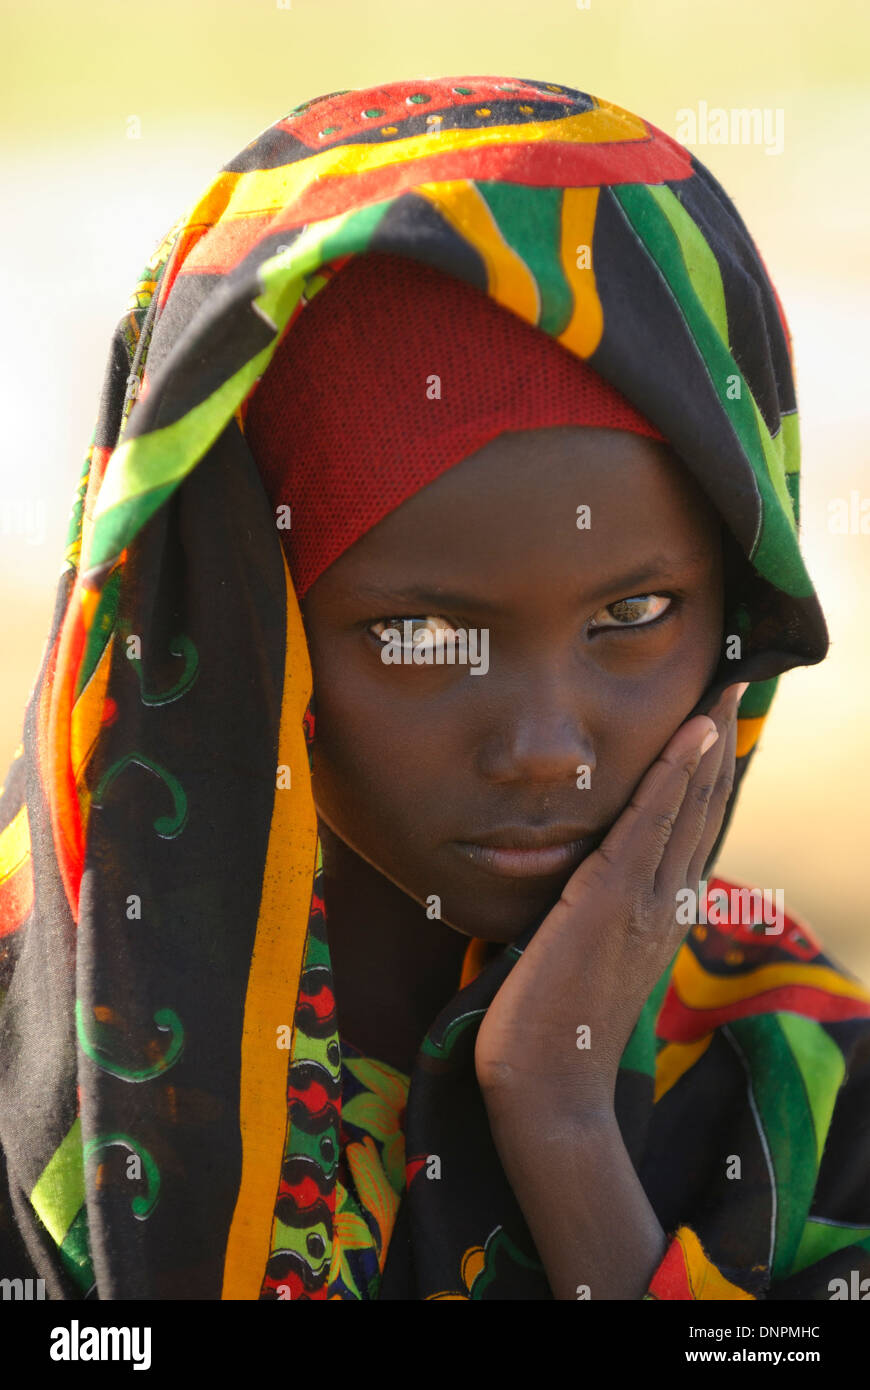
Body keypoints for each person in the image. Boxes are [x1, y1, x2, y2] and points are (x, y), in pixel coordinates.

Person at [0, 74, 868, 1302]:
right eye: (421, 633)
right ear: (248, 625)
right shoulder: (34, 1044)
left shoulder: (798, 1078)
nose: (546, 744)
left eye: (633, 615)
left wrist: (563, 1122)